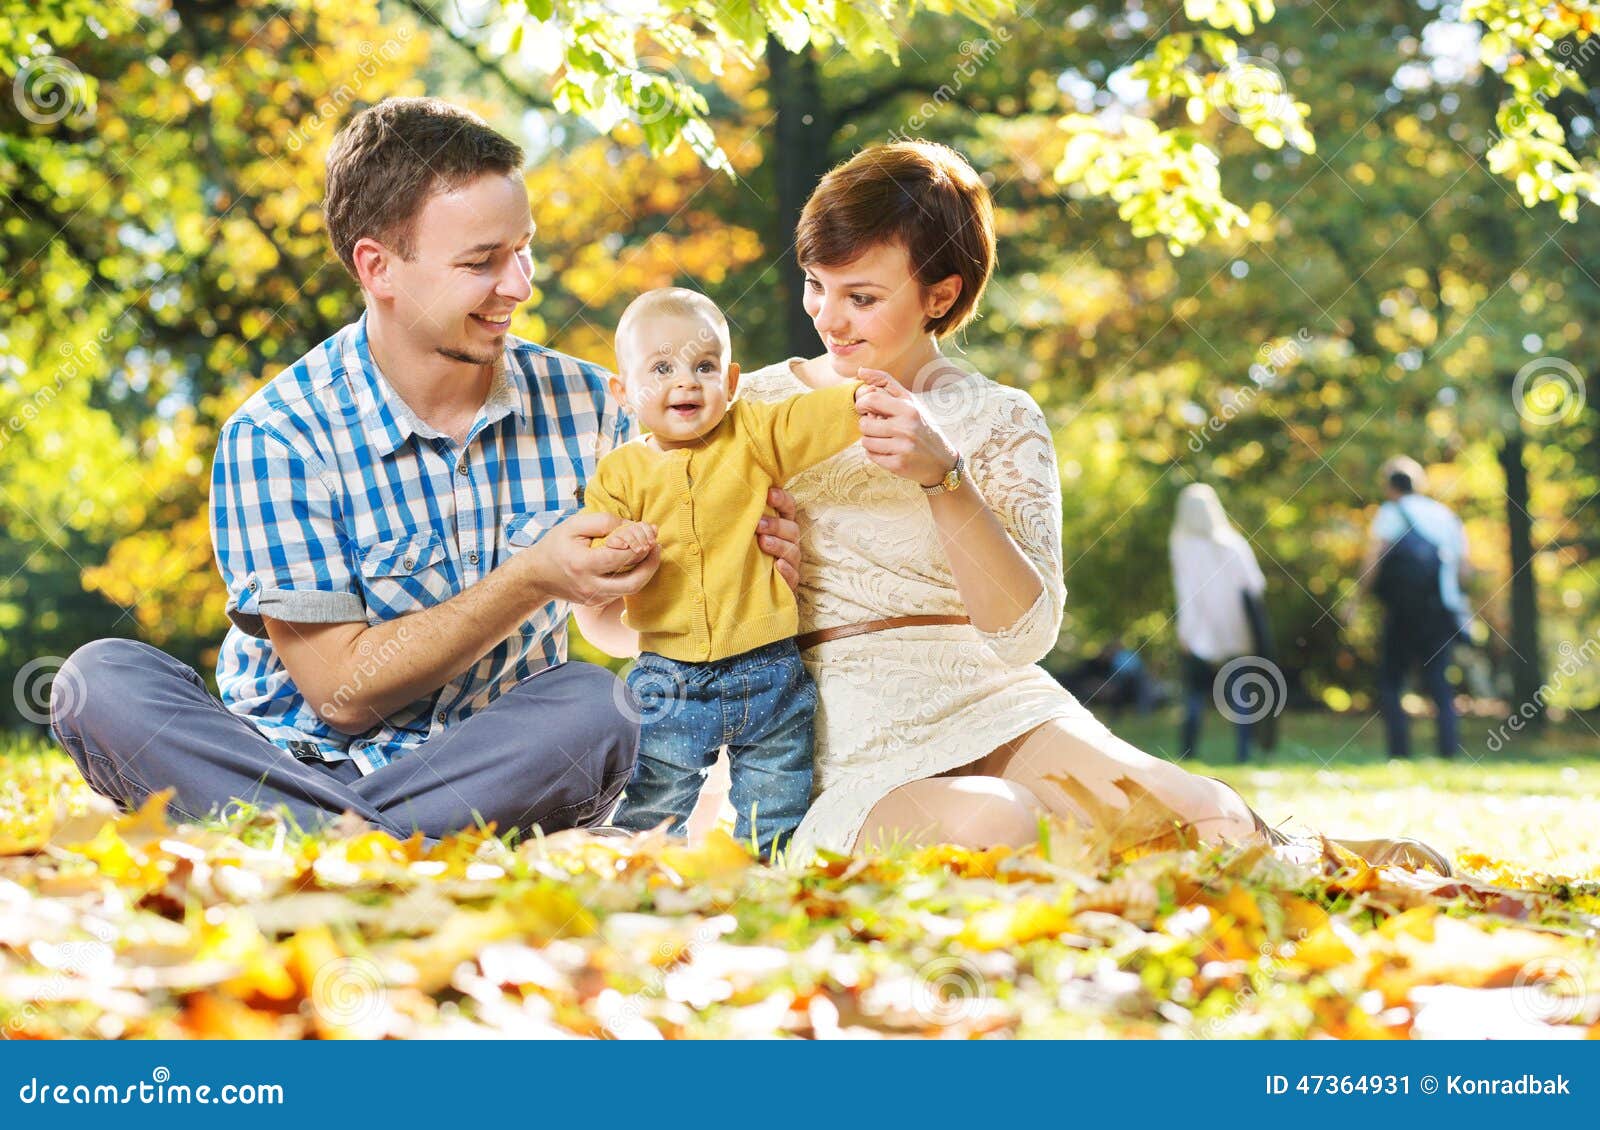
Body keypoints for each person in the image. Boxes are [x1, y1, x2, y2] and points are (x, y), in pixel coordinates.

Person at [46, 98, 807, 844]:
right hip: (281, 760)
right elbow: (340, 696)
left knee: (597, 704)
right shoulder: (277, 434)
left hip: (485, 764)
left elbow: (619, 622)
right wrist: (533, 576)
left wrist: (742, 561)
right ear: (378, 267)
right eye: (482, 262)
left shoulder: (592, 408)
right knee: (98, 678)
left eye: (523, 248)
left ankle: (303, 843)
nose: (519, 285)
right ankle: (362, 841)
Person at [733, 140, 1449, 874]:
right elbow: (664, 615)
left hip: (992, 700)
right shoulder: (749, 406)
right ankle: (1183, 855)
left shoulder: (1000, 418)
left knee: (1208, 822)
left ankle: (1287, 851)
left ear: (939, 296)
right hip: (836, 726)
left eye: (862, 297)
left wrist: (943, 478)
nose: (828, 316)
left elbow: (1023, 635)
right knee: (1000, 824)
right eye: (816, 284)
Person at [576, 288, 873, 857]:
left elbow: (804, 420)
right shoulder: (620, 473)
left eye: (704, 366)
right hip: (670, 675)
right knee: (657, 795)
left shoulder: (753, 437)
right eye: (660, 368)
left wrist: (859, 398)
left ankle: (761, 881)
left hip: (769, 667)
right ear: (623, 392)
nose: (686, 382)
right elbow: (593, 553)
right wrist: (620, 542)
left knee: (778, 793)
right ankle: (648, 882)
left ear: (731, 383)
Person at [1361, 456, 1470, 759]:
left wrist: (1358, 599)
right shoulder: (1444, 515)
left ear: (1389, 485)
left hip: (1402, 610)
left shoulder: (1390, 513)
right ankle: (1449, 750)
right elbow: (1464, 569)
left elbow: (1373, 560)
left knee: (1392, 680)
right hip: (1441, 609)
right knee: (1439, 679)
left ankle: (1399, 751)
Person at [1170, 483, 1271, 763]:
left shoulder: (1182, 545)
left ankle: (1187, 752)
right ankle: (1244, 751)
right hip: (1236, 628)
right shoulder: (1233, 543)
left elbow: (1185, 592)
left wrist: (1185, 632)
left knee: (1195, 691)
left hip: (1200, 627)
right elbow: (1255, 585)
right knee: (1239, 688)